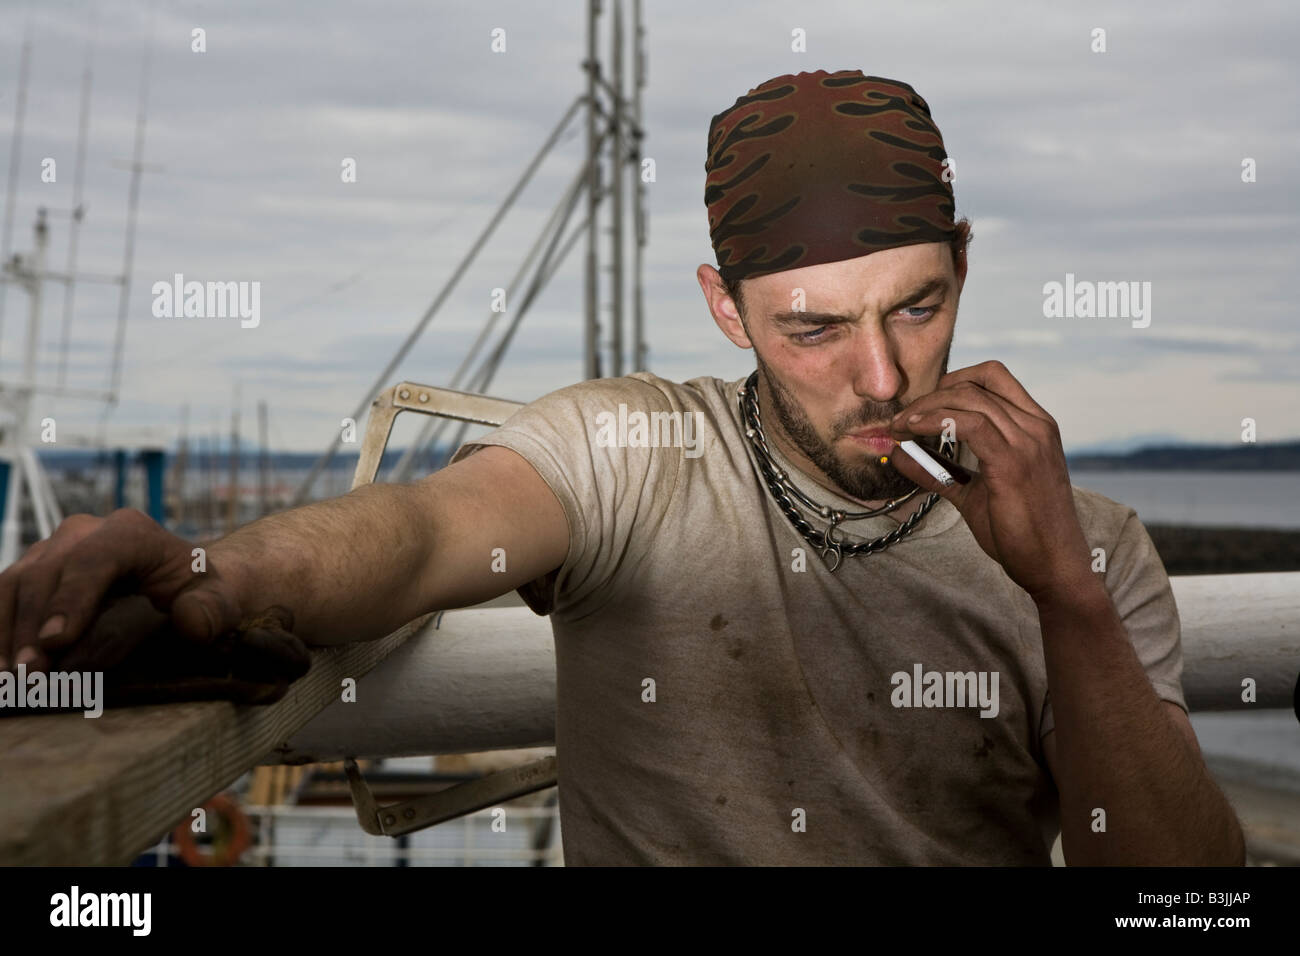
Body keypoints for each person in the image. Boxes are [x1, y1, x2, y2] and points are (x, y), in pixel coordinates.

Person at [0, 70, 1243, 866]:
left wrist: (1065, 596)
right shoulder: (632, 450)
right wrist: (220, 565)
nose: (879, 378)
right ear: (726, 308)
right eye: (813, 327)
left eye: (914, 308)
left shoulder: (1094, 544)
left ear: (961, 266)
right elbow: (425, 532)